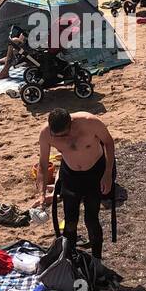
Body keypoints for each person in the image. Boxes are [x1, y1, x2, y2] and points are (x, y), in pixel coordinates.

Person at [38, 109, 115, 265]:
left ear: (71, 125)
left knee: (91, 219)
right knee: (70, 221)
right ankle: (69, 258)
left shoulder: (90, 122)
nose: (61, 139)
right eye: (57, 136)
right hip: (71, 174)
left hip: (95, 172)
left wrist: (107, 173)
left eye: (64, 135)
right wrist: (41, 193)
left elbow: (108, 142)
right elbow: (43, 164)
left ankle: (96, 260)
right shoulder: (46, 133)